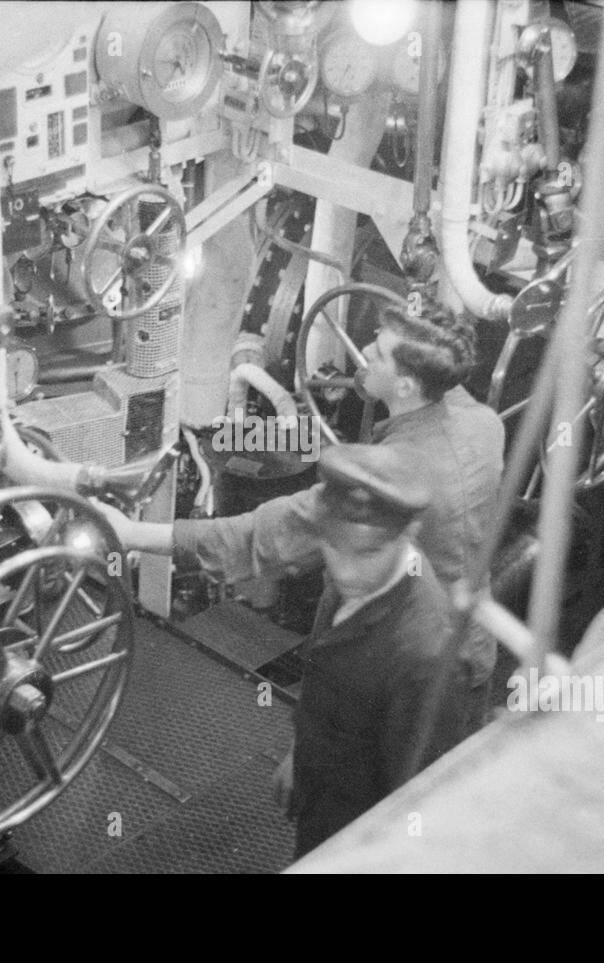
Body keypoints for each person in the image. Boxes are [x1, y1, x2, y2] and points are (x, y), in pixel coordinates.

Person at [103, 303, 505, 728]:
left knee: (365, 785)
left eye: (380, 352)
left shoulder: (390, 479)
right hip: (472, 651)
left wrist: (131, 532)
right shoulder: (483, 424)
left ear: (405, 386)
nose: (363, 348)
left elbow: (259, 535)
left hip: (404, 677)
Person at [270, 444, 467, 858]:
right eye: (334, 549)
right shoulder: (356, 577)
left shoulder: (424, 657)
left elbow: (420, 805)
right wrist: (299, 754)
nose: (345, 571)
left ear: (408, 534)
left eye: (367, 553)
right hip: (322, 799)